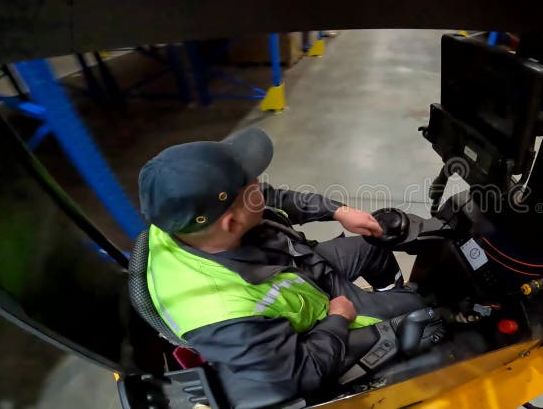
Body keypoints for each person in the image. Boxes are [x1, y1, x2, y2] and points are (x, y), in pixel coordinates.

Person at [138, 127, 427, 406]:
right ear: (232, 223)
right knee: (420, 307)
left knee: (372, 249)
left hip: (296, 269)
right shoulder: (225, 317)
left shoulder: (187, 223)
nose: (261, 188)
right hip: (320, 318)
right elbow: (302, 372)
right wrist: (338, 318)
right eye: (253, 187)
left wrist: (338, 211)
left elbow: (274, 198)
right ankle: (393, 305)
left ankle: (386, 292)